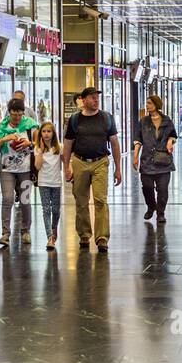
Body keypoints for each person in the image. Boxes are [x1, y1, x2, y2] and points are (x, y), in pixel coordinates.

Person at [62, 85, 122, 252]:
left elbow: (115, 144)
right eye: (92, 97)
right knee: (81, 200)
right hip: (79, 161)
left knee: (100, 200)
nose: (96, 100)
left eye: (97, 97)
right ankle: (84, 234)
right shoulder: (75, 119)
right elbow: (67, 145)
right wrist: (66, 167)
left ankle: (102, 238)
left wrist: (118, 168)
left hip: (100, 162)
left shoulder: (106, 118)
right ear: (83, 100)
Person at [0, 97, 38, 247]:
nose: (16, 118)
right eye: (13, 114)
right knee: (7, 198)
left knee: (25, 199)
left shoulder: (30, 125)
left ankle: (25, 231)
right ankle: (5, 233)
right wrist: (5, 138)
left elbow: (40, 143)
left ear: (24, 113)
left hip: (26, 169)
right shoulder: (1, 127)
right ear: (8, 113)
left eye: (19, 114)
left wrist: (29, 143)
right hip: (7, 169)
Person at [132, 94, 177, 224]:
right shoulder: (143, 121)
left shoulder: (166, 120)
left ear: (156, 105)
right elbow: (138, 140)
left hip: (163, 161)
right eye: (147, 103)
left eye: (149, 103)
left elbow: (173, 135)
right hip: (147, 160)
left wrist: (170, 142)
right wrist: (135, 157)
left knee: (162, 189)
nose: (147, 105)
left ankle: (161, 213)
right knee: (147, 187)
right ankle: (151, 206)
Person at [33, 121, 63, 250]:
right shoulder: (37, 148)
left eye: (49, 131)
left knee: (56, 210)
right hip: (43, 182)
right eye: (44, 131)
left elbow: (65, 162)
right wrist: (39, 151)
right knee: (46, 210)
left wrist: (69, 171)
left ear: (53, 133)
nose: (46, 134)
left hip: (56, 182)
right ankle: (50, 237)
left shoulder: (59, 147)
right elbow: (37, 166)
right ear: (41, 133)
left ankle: (54, 227)